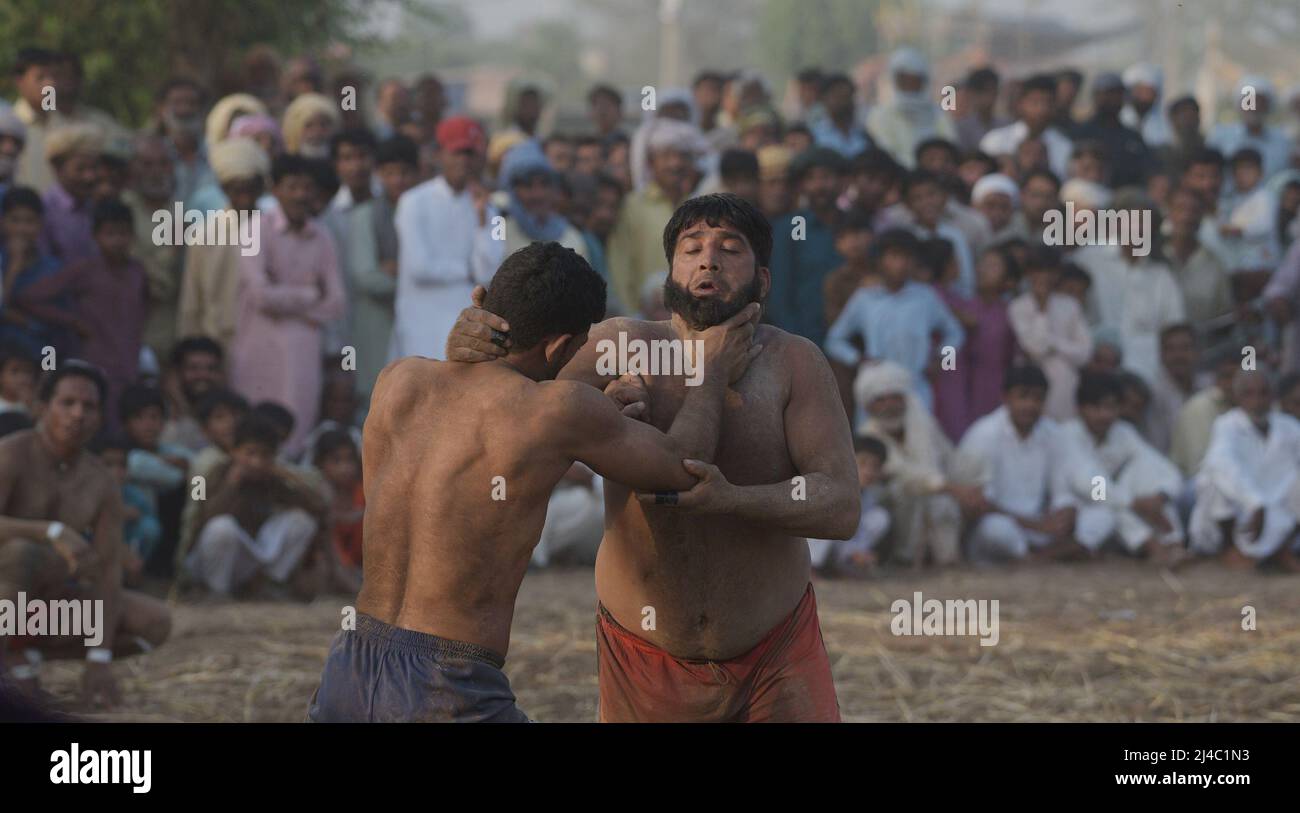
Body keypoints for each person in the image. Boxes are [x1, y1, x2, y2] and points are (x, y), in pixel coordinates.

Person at [442, 196, 859, 722]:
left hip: (775, 651)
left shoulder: (794, 361)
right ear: (670, 271)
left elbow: (841, 503)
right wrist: (473, 347)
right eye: (693, 249)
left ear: (764, 281)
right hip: (642, 652)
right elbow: (504, 410)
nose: (709, 260)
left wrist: (734, 500)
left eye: (730, 250)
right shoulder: (619, 344)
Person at [311, 239, 765, 723]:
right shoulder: (560, 410)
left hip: (348, 670)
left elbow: (471, 418)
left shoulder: (395, 381)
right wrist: (713, 373)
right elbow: (685, 467)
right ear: (561, 345)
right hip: (446, 685)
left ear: (483, 302)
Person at [0, 363, 171, 706]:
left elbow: (108, 571)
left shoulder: (101, 480)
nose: (78, 414)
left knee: (154, 621)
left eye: (89, 406)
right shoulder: (11, 452)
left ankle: (24, 657)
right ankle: (10, 661)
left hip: (44, 611)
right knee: (23, 552)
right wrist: (49, 531)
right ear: (42, 407)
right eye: (67, 403)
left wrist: (99, 659)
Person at [230, 154, 345, 458]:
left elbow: (335, 304)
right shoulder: (255, 229)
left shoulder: (322, 235)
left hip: (304, 355)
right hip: (258, 349)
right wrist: (308, 295)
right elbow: (260, 296)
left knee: (296, 437)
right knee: (252, 436)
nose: (300, 194)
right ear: (276, 189)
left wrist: (285, 297)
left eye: (306, 187)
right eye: (292, 186)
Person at [14, 199, 145, 431]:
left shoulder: (137, 271)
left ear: (132, 235)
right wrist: (72, 321)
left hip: (129, 363)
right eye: (110, 234)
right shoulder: (85, 269)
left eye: (123, 233)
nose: (117, 241)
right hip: (94, 362)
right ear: (95, 236)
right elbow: (29, 298)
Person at [390, 116, 502, 362]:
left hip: (466, 329)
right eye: (457, 152)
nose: (465, 160)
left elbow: (489, 272)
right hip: (420, 326)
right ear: (439, 154)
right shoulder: (413, 202)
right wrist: (466, 270)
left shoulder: (490, 209)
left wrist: (483, 220)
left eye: (471, 153)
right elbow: (419, 267)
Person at [185, 414, 329, 596]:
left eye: (265, 455)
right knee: (221, 527)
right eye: (250, 453)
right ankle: (216, 593)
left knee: (302, 521)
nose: (257, 462)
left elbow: (318, 507)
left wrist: (285, 476)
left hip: (246, 562)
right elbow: (205, 520)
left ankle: (270, 585)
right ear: (234, 451)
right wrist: (231, 485)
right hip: (206, 561)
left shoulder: (271, 479)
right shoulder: (216, 472)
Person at [826, 229, 965, 411]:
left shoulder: (925, 296)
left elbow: (955, 333)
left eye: (907, 257)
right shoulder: (866, 298)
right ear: (880, 261)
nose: (900, 264)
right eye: (894, 256)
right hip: (878, 391)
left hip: (917, 388)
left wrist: (943, 361)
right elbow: (834, 340)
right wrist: (858, 359)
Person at [854, 360, 975, 567]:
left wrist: (969, 489)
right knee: (904, 491)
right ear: (869, 406)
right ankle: (903, 558)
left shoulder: (923, 423)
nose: (889, 405)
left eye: (895, 397)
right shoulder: (867, 437)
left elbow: (949, 459)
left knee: (944, 501)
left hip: (934, 498)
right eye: (881, 400)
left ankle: (946, 559)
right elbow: (901, 473)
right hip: (890, 509)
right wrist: (949, 487)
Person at [1057, 372, 1186, 563]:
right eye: (1096, 408)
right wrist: (1134, 503)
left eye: (1110, 407)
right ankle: (1154, 547)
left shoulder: (1123, 432)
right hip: (1081, 511)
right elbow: (1091, 485)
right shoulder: (1068, 435)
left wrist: (1160, 497)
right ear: (1080, 409)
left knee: (1147, 470)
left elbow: (1165, 470)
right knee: (1110, 506)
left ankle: (1174, 544)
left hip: (1117, 502)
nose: (1104, 415)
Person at [958, 364, 1076, 562]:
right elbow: (980, 504)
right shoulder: (983, 434)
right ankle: (1036, 557)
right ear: (1005, 398)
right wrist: (1035, 525)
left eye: (1037, 398)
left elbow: (1063, 489)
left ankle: (1039, 557)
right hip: (999, 528)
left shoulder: (1053, 433)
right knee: (995, 529)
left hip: (1041, 527)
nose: (1030, 405)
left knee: (1100, 515)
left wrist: (1065, 514)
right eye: (1023, 396)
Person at [1189, 368, 1300, 570]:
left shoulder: (1289, 427)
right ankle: (1229, 549)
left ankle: (1281, 550)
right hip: (1242, 510)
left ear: (1273, 395)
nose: (1257, 401)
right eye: (1249, 394)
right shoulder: (1226, 425)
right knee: (1211, 478)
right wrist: (1254, 503)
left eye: (1263, 393)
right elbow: (1222, 465)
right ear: (1237, 397)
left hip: (1278, 511)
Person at [607, 119, 706, 314]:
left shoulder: (699, 207)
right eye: (667, 156)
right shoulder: (632, 205)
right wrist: (630, 316)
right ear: (651, 162)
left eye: (683, 156)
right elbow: (620, 264)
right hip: (642, 318)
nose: (676, 164)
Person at [766, 147, 846, 346]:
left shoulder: (853, 224)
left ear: (841, 182)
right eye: (811, 178)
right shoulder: (795, 226)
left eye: (827, 177)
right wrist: (797, 343)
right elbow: (780, 295)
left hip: (850, 343)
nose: (819, 186)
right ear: (801, 186)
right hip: (805, 338)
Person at [1009, 248, 1093, 420]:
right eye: (1038, 271)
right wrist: (1041, 310)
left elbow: (1085, 353)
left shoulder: (1070, 305)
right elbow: (1035, 349)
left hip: (1066, 386)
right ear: (1029, 274)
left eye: (1049, 271)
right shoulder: (1018, 306)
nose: (1044, 277)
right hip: (1031, 388)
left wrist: (1054, 344)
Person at [807, 435, 889, 577]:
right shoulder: (831, 486)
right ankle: (811, 568)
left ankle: (846, 566)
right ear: (848, 462)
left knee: (880, 517)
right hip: (808, 549)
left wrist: (856, 555)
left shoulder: (870, 498)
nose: (868, 472)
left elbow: (855, 534)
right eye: (862, 463)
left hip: (838, 552)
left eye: (875, 467)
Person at [866, 47, 957, 169]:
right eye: (904, 79)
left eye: (914, 80)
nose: (909, 84)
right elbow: (886, 152)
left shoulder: (938, 115)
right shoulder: (879, 116)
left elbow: (949, 147)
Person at [980, 74, 1072, 180]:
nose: (1042, 109)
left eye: (1048, 102)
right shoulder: (995, 140)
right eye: (1035, 102)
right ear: (1020, 104)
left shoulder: (1064, 146)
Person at [1146, 324, 1200, 454]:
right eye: (1171, 349)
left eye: (1185, 348)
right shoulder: (1153, 396)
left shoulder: (1210, 387)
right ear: (1161, 355)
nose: (1178, 355)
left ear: (1197, 352)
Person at [811, 73, 870, 158]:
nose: (845, 103)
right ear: (824, 99)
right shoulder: (815, 135)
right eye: (839, 97)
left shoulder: (863, 135)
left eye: (848, 97)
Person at [0, 343, 36, 415]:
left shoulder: (36, 406)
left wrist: (31, 407)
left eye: (28, 371)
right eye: (15, 371)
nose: (22, 378)